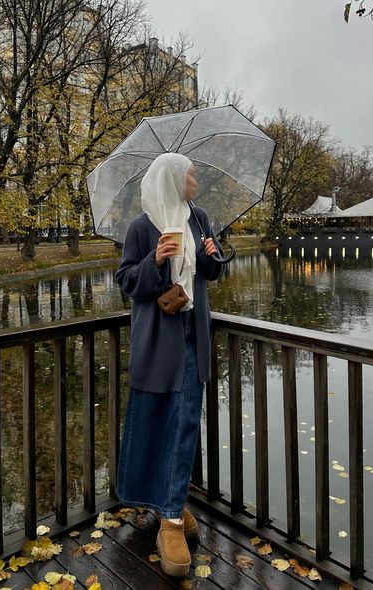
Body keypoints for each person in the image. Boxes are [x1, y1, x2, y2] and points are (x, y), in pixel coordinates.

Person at [113, 152, 225, 577]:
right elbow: (126, 281)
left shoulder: (199, 218)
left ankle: (172, 510)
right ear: (172, 179)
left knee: (185, 423)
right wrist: (155, 260)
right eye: (191, 175)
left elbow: (211, 276)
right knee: (159, 420)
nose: (196, 181)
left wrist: (214, 254)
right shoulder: (143, 226)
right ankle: (171, 513)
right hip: (159, 340)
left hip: (193, 337)